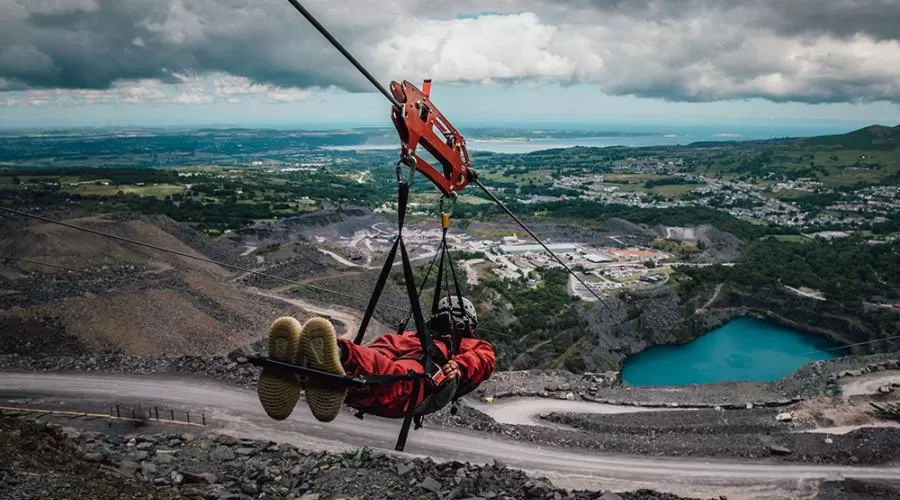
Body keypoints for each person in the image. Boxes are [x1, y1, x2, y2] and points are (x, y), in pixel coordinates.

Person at [257, 296, 496, 422]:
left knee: (395, 371)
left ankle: (336, 354)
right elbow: (381, 350)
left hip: (422, 380)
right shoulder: (412, 337)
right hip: (395, 370)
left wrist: (460, 366)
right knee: (380, 353)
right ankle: (314, 365)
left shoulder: (470, 346)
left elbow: (484, 360)